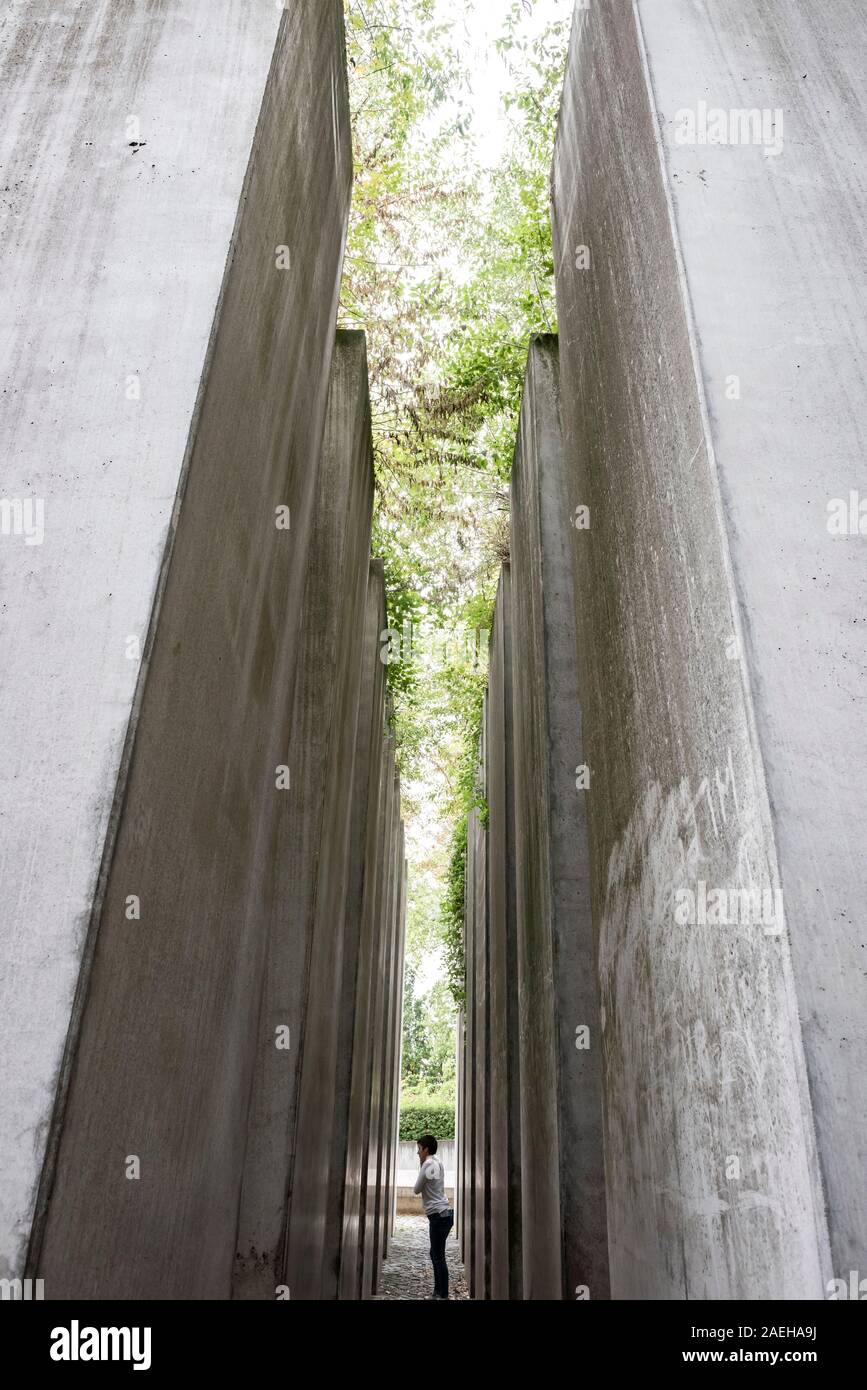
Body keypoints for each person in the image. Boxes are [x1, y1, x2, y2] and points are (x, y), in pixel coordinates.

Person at [414, 1134, 454, 1300]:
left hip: (438, 1216)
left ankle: (442, 1294)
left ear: (426, 1149)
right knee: (435, 1254)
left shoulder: (428, 1164)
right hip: (444, 1214)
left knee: (438, 1256)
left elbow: (417, 1188)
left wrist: (421, 1165)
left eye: (419, 1149)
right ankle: (438, 1291)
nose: (418, 1153)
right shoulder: (438, 1162)